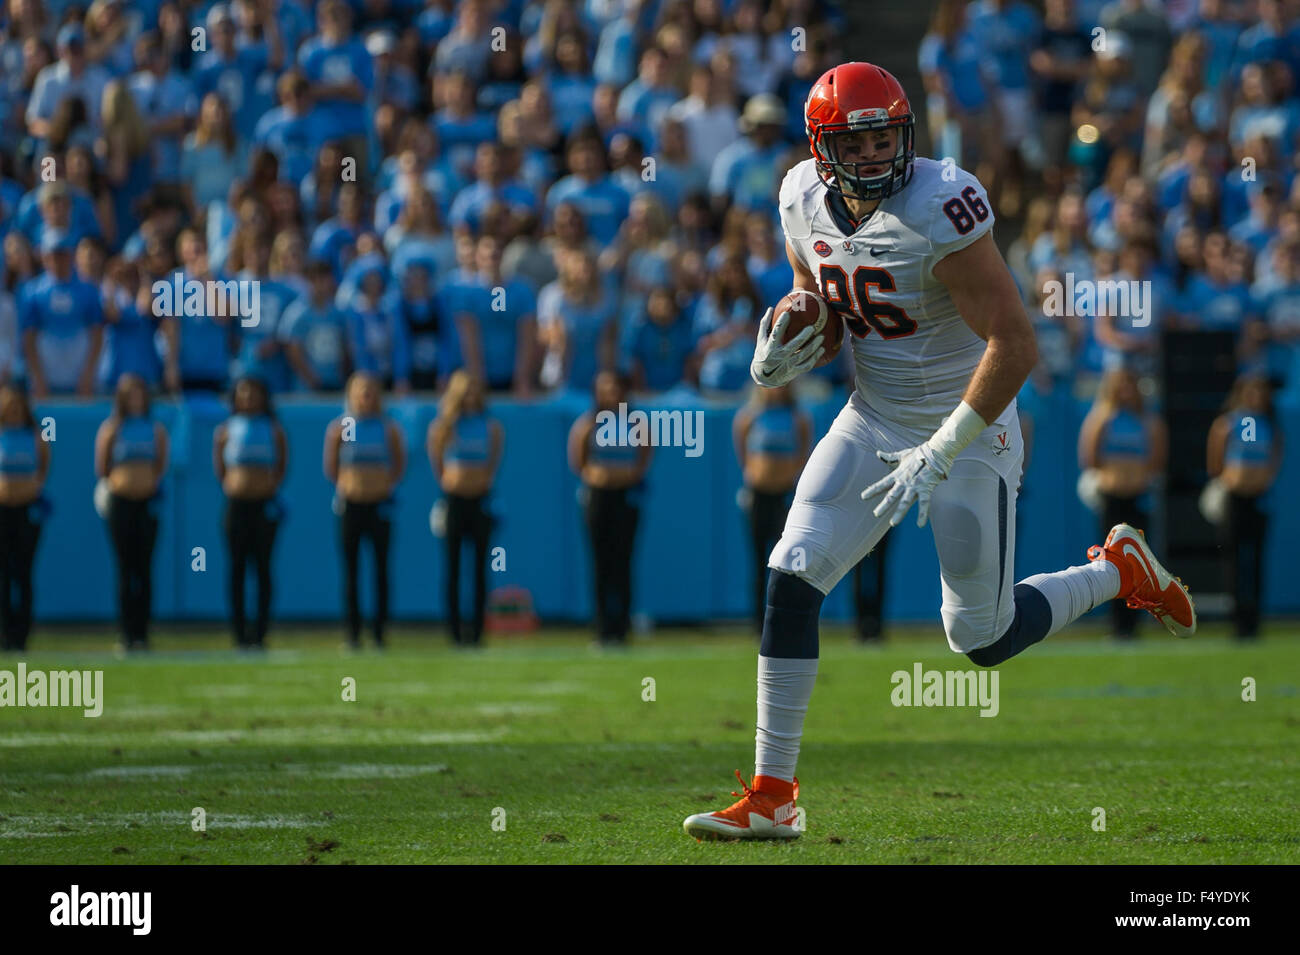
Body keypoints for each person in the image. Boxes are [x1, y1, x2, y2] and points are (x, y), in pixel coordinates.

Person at [683, 62, 1197, 842]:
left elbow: (1018, 345)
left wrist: (945, 446)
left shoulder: (940, 205)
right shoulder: (796, 198)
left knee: (980, 639)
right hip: (874, 414)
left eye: (886, 136)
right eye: (856, 143)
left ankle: (1116, 571)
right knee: (792, 572)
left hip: (972, 424)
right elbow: (824, 311)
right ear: (821, 148)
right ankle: (773, 795)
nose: (874, 155)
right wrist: (779, 350)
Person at [1078, 367, 1168, 640]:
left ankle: (1135, 623)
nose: (1126, 391)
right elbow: (1089, 458)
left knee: (1139, 563)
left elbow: (1157, 459)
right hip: (1112, 497)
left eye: (1131, 384)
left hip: (1138, 497)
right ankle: (1117, 625)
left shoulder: (1148, 421)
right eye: (1121, 385)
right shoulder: (1102, 418)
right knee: (1113, 562)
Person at [324, 372, 406, 650]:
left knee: (381, 570)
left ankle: (380, 633)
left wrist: (380, 486)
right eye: (361, 391)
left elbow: (398, 464)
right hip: (351, 505)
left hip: (379, 504)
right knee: (351, 572)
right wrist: (349, 486)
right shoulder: (342, 427)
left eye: (371, 391)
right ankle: (353, 634)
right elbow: (331, 466)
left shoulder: (387, 427)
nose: (366, 397)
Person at [568, 371, 650, 647]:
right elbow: (577, 460)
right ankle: (602, 629)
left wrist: (625, 476)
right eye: (604, 389)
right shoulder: (588, 423)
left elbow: (644, 457)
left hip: (625, 497)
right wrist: (598, 477)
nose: (610, 394)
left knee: (623, 562)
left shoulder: (636, 422)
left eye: (614, 388)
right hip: (598, 498)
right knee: (600, 563)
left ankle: (622, 628)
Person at [427, 371, 503, 647]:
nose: (470, 396)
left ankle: (478, 632)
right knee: (453, 568)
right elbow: (437, 462)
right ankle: (455, 631)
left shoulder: (491, 426)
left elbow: (493, 461)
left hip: (480, 500)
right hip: (454, 501)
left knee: (481, 568)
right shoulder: (444, 427)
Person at [93, 374, 167, 652]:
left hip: (146, 504)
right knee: (125, 569)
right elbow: (102, 468)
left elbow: (161, 463)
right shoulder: (112, 428)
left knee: (144, 569)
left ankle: (143, 633)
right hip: (121, 504)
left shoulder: (155, 428)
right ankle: (126, 634)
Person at [1207, 375, 1282, 641]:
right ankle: (1237, 621)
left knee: (1257, 560)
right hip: (1235, 500)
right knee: (1235, 561)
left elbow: (1275, 458)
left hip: (1259, 499)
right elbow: (1215, 463)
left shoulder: (1269, 425)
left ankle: (1255, 621)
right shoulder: (1228, 424)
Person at [214, 376, 287, 649]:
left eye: (254, 393)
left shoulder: (273, 428)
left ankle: (261, 632)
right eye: (243, 393)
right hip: (236, 506)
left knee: (263, 569)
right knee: (237, 569)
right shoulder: (225, 430)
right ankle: (238, 633)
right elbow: (220, 469)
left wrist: (265, 488)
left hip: (263, 506)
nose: (248, 398)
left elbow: (281, 465)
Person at [733, 383, 811, 634]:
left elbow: (803, 452)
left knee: (786, 560)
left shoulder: (798, 418)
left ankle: (785, 616)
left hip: (784, 494)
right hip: (759, 494)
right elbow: (742, 451)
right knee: (758, 559)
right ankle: (759, 621)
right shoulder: (749, 416)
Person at [0, 383, 49, 651]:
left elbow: (44, 467)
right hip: (3, 510)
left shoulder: (36, 437)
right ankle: (6, 633)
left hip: (27, 510)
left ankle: (22, 634)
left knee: (24, 573)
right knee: (4, 575)